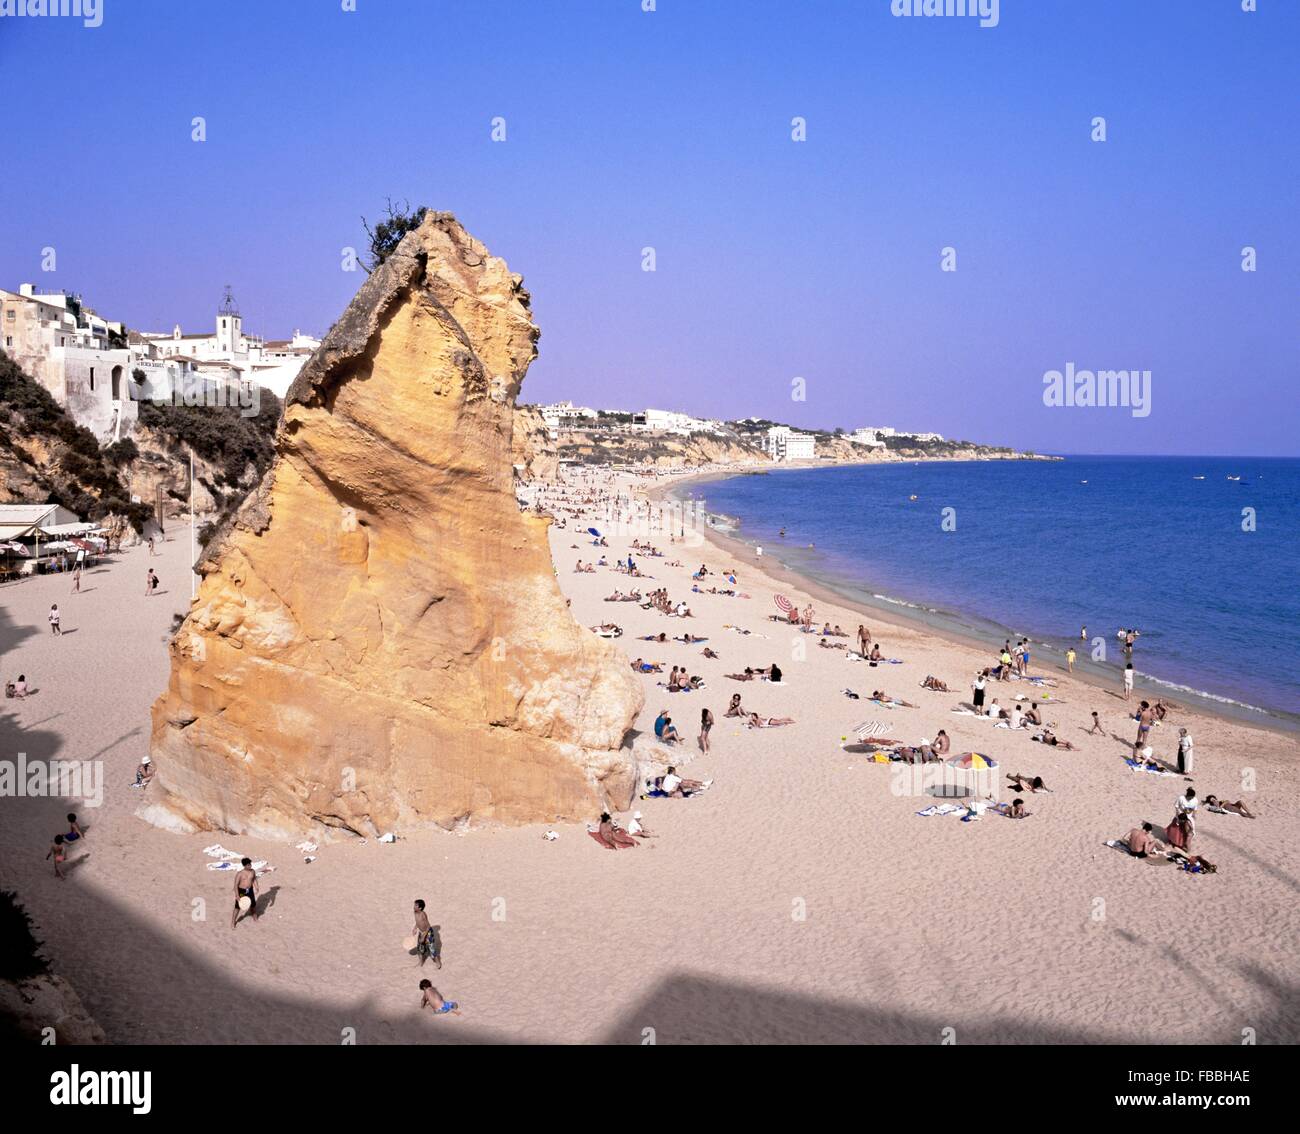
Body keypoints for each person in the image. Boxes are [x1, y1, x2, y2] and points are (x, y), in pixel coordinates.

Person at [231, 857, 259, 929]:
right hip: (242, 891)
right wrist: (237, 895)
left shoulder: (253, 871)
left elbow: (254, 879)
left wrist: (256, 887)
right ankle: (233, 922)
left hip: (250, 890)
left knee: (252, 904)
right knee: (237, 907)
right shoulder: (239, 874)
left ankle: (254, 915)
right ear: (244, 866)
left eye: (250, 864)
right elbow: (235, 885)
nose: (250, 866)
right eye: (248, 865)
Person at [412, 899, 441, 969]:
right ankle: (421, 962)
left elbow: (428, 926)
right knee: (420, 948)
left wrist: (423, 936)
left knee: (432, 948)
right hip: (421, 932)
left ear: (420, 908)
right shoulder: (415, 912)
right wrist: (415, 928)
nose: (414, 906)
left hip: (428, 932)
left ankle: (437, 962)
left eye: (416, 905)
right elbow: (417, 922)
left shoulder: (423, 914)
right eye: (414, 904)